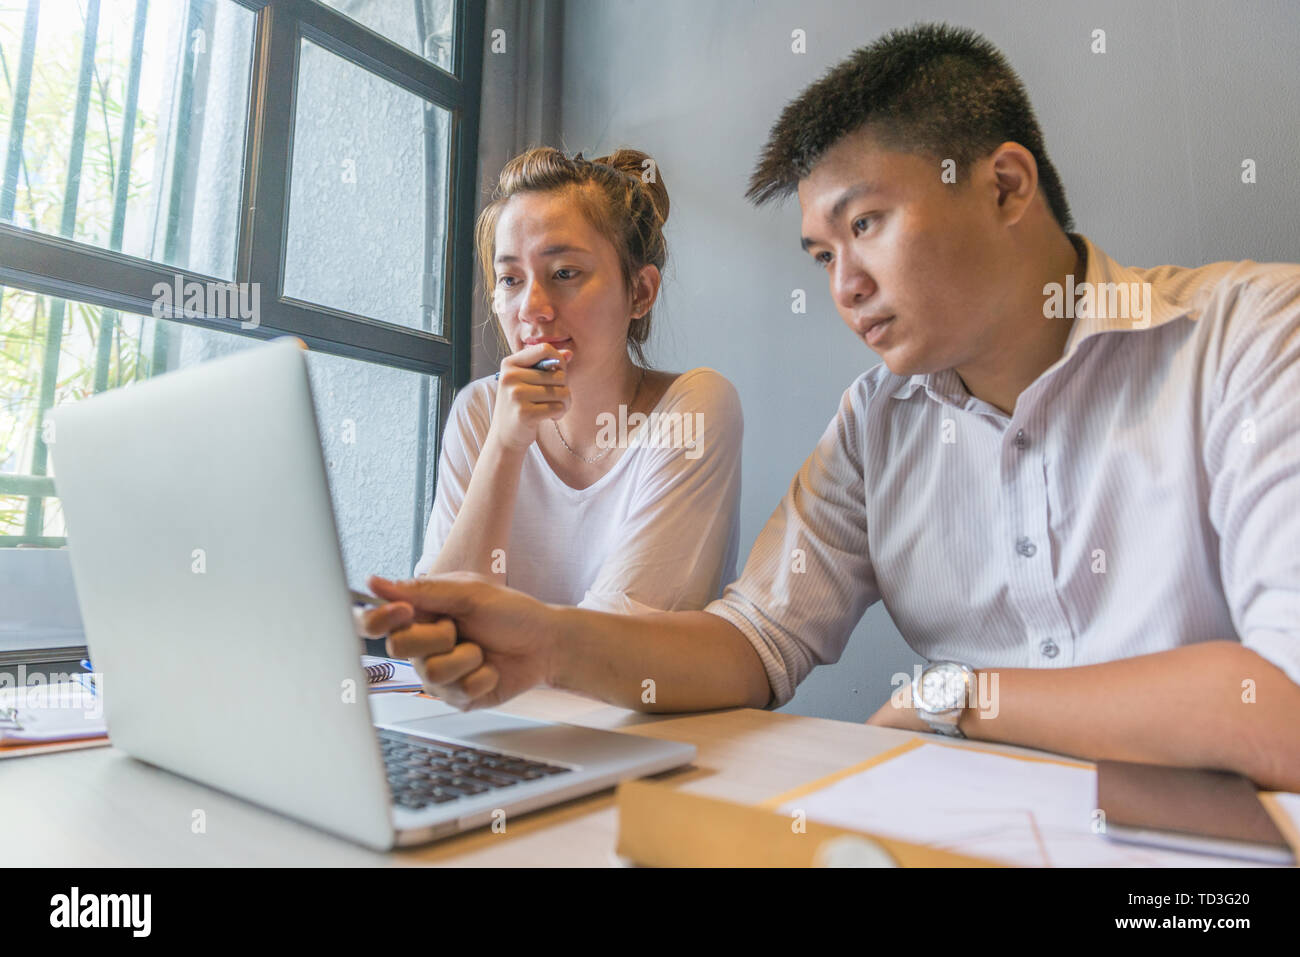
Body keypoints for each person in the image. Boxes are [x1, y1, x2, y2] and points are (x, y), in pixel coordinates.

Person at [364, 24, 1300, 790]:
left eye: (866, 225)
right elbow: (752, 642)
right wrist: (549, 642)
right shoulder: (876, 420)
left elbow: (1283, 707)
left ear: (1005, 185)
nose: (844, 286)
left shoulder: (1252, 335)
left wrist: (956, 694)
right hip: (958, 831)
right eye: (821, 254)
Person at [412, 146, 743, 616]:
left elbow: (622, 642)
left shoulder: (695, 408)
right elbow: (438, 632)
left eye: (565, 273)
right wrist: (505, 445)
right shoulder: (479, 412)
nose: (531, 308)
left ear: (641, 292)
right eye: (509, 279)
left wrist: (485, 640)